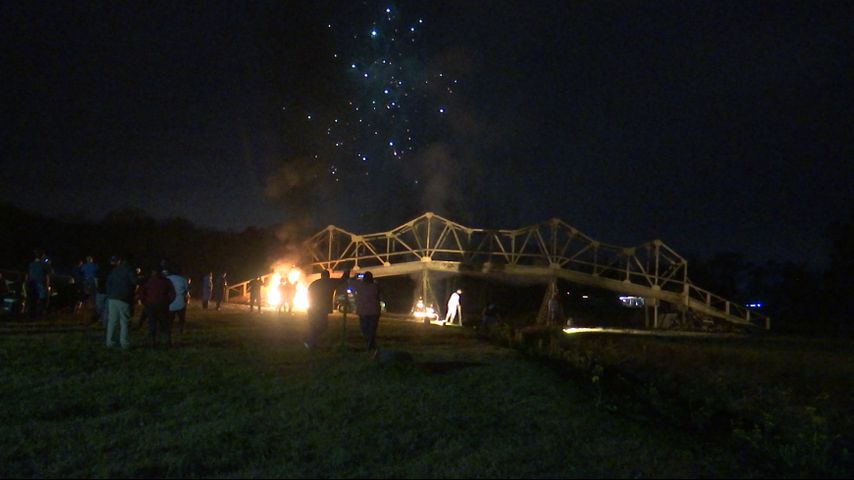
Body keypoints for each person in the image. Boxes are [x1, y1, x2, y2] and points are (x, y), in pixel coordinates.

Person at [304, 270, 344, 350]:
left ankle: (311, 343)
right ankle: (309, 340)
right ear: (328, 276)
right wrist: (346, 272)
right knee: (323, 326)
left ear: (321, 275)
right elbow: (341, 281)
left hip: (312, 308)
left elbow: (308, 295)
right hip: (321, 308)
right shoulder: (329, 282)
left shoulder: (314, 283)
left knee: (314, 326)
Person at [138, 267, 176, 348]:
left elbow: (141, 293)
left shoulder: (147, 281)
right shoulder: (166, 281)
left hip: (150, 305)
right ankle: (167, 343)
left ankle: (153, 343)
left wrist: (145, 302)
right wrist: (168, 302)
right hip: (162, 305)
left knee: (152, 325)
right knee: (165, 325)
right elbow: (173, 294)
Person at [105, 254, 138, 349]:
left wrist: (110, 294)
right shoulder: (129, 269)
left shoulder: (114, 271)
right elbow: (134, 281)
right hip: (124, 298)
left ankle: (110, 342)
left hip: (112, 298)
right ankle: (125, 343)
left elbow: (108, 283)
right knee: (124, 321)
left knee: (112, 321)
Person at [353, 271, 382, 351]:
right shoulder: (376, 286)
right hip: (374, 310)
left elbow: (350, 282)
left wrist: (355, 276)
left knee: (364, 328)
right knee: (372, 329)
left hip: (363, 310)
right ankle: (371, 343)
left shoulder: (359, 286)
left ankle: (370, 343)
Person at [24, 248, 52, 319]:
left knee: (32, 301)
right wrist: (47, 286)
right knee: (41, 301)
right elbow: (47, 276)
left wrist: (26, 285)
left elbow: (27, 276)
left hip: (31, 285)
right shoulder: (44, 265)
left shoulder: (30, 265)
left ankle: (30, 316)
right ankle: (39, 315)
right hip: (40, 285)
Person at [165, 267, 190, 334]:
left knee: (170, 319)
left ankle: (169, 330)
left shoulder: (167, 278)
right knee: (181, 318)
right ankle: (181, 329)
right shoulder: (183, 279)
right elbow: (187, 290)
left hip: (170, 302)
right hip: (180, 302)